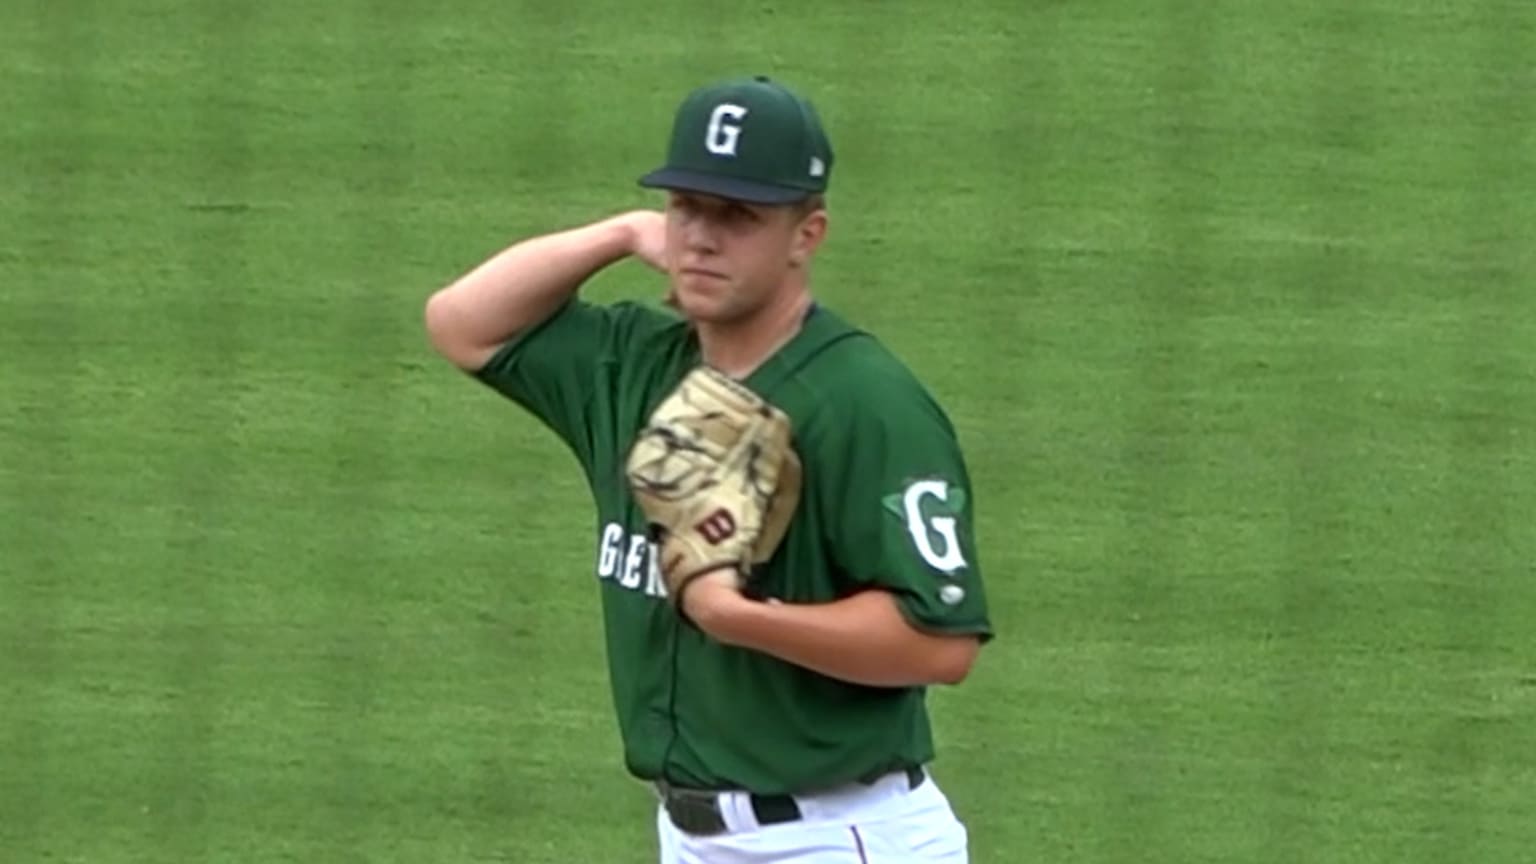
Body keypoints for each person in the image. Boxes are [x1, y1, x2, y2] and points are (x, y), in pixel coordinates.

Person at [424, 74, 994, 863]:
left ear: (808, 234)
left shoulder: (867, 402)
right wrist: (622, 233)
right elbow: (462, 325)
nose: (701, 236)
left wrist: (741, 619)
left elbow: (939, 644)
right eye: (686, 206)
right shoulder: (632, 366)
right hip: (691, 839)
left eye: (738, 216)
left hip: (841, 838)